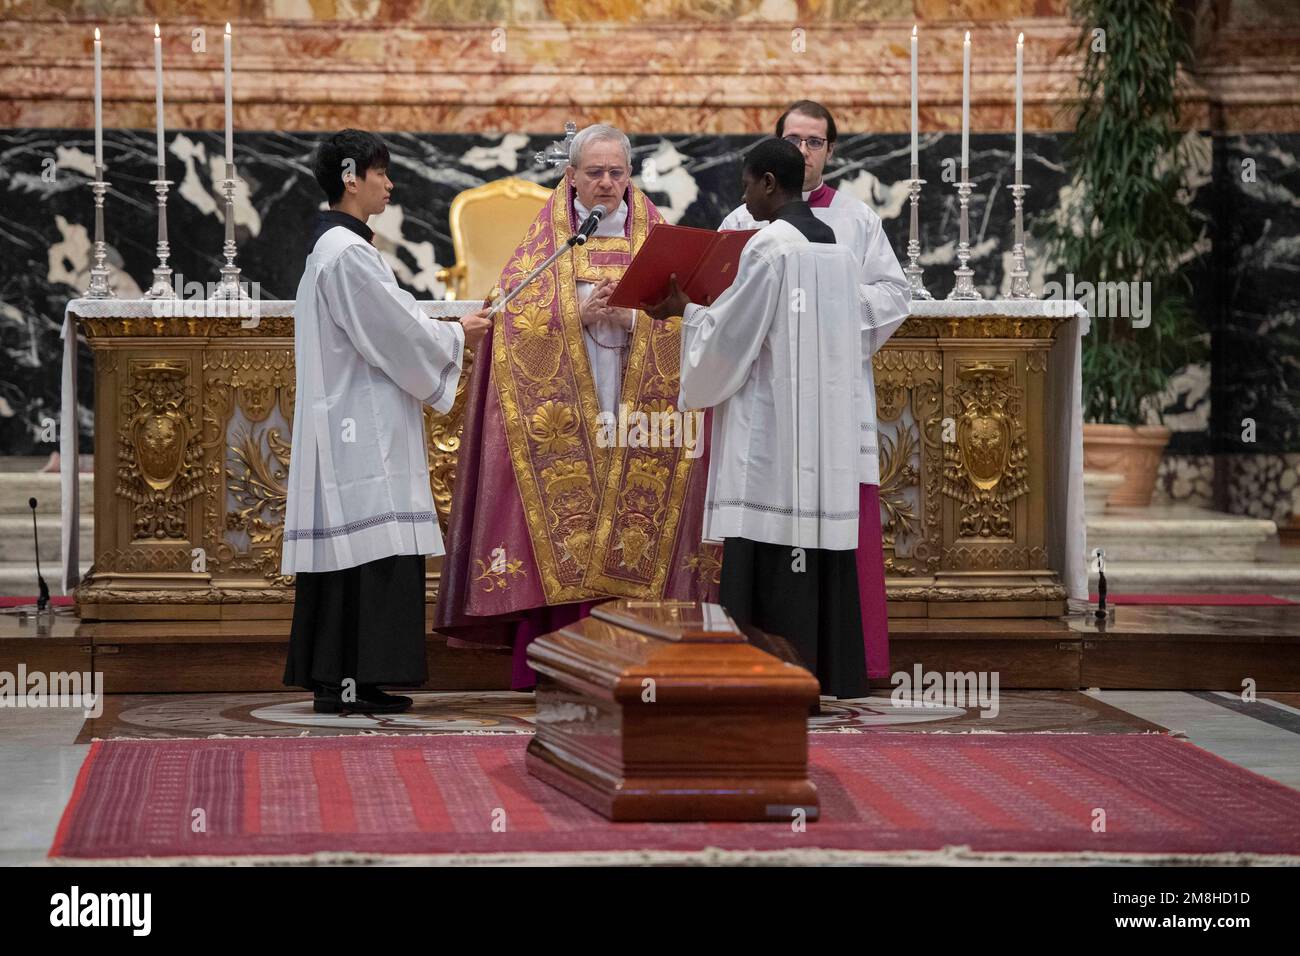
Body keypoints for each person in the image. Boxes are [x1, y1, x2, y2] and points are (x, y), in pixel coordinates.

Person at [434, 124, 719, 690]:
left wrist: (634, 318)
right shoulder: (551, 245)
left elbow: (697, 320)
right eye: (595, 173)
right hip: (571, 409)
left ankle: (644, 659)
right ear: (571, 177)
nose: (607, 183)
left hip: (641, 412)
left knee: (636, 517)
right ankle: (564, 656)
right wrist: (573, 317)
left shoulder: (657, 238)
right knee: (574, 519)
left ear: (630, 175)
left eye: (617, 172)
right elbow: (509, 314)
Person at [644, 137, 871, 699]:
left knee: (769, 540)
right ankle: (827, 673)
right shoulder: (838, 250)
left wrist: (684, 313)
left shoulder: (770, 247)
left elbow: (732, 338)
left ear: (769, 182)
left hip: (773, 432)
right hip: (822, 434)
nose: (744, 198)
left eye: (747, 185)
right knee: (813, 546)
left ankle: (766, 679)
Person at [281, 129, 491, 714]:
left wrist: (446, 331)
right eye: (381, 172)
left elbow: (390, 319)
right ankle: (350, 680)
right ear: (351, 176)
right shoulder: (346, 254)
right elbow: (391, 332)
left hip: (353, 418)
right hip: (361, 427)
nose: (390, 183)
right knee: (367, 547)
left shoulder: (339, 249)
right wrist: (457, 333)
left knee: (355, 553)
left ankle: (347, 679)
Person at [719, 100, 910, 684]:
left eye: (815, 142)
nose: (804, 150)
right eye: (794, 139)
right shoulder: (740, 220)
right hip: (766, 404)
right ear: (776, 146)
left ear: (831, 150)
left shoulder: (857, 220)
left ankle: (838, 661)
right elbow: (722, 304)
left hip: (830, 402)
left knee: (830, 522)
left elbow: (893, 297)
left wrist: (824, 315)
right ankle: (759, 660)